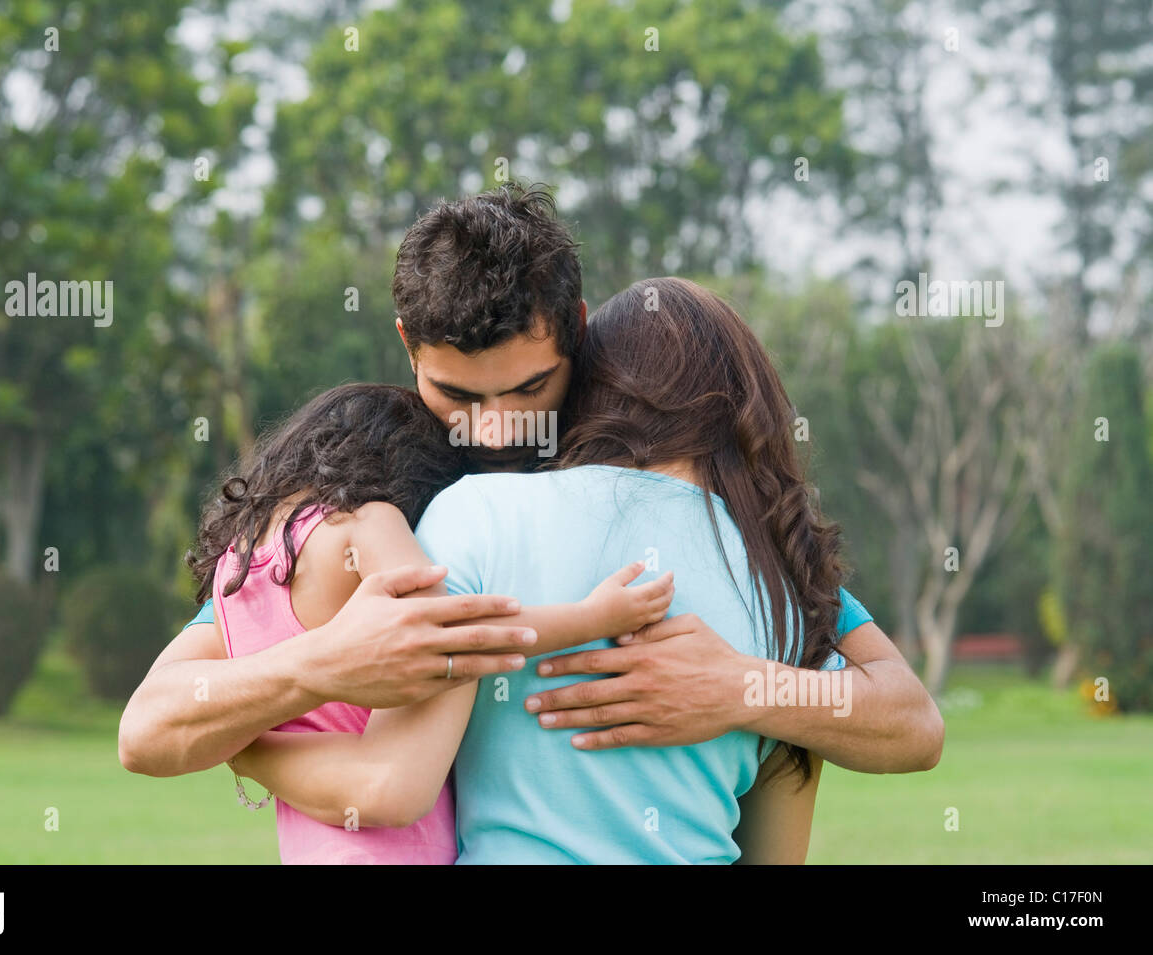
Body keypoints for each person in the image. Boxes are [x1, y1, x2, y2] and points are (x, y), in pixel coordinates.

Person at [118, 184, 942, 791]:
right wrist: (323, 664)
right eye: (459, 395)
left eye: (527, 389)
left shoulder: (643, 476)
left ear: (578, 330)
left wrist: (737, 688)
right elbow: (151, 726)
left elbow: (907, 718)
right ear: (408, 345)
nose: (494, 431)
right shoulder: (383, 483)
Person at [234, 277, 874, 863]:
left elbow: (391, 777)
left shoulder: (472, 515)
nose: (495, 428)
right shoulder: (787, 583)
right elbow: (896, 732)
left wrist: (245, 744)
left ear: (590, 385)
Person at [186, 382, 673, 863]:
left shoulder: (233, 571)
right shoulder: (367, 521)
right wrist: (591, 618)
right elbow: (451, 635)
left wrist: (242, 752)